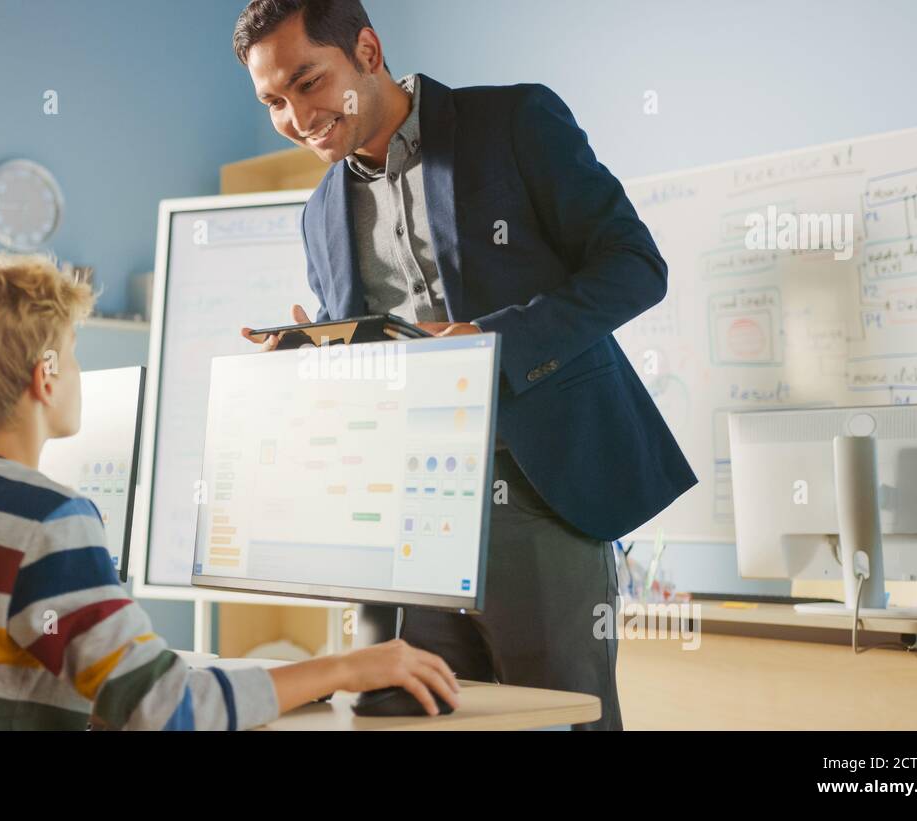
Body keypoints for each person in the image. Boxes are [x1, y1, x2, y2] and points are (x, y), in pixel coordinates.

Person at [233, 0, 697, 729]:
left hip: (542, 493)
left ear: (367, 48)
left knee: (559, 718)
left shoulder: (513, 123)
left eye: (308, 82)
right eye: (274, 102)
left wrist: (488, 340)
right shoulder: (319, 212)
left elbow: (636, 267)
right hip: (400, 520)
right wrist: (316, 355)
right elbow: (374, 356)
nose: (297, 116)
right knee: (399, 718)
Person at [0, 247, 459, 730]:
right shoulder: (47, 519)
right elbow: (167, 710)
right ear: (45, 378)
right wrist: (348, 667)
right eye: (71, 354)